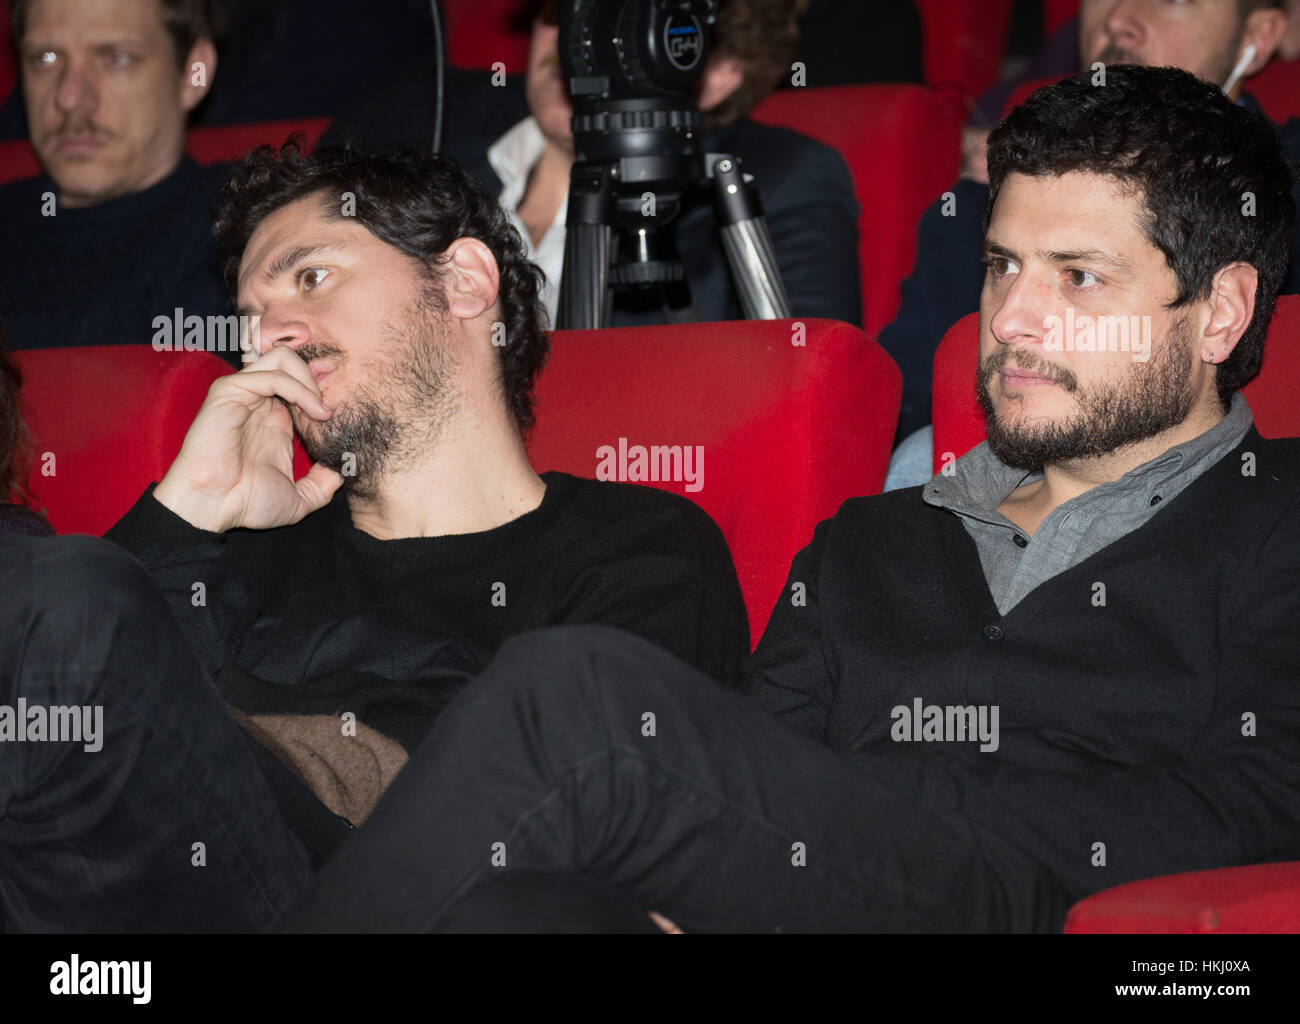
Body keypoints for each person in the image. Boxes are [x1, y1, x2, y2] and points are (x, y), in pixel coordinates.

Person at [278, 66, 1300, 934]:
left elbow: (1261, 807)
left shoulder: (1278, 515)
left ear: (1219, 314)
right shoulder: (875, 537)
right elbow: (753, 772)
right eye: (1001, 267)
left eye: (1077, 277)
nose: (1013, 319)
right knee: (511, 910)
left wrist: (855, 792)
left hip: (1063, 912)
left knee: (576, 697)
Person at [881, 0, 1297, 454]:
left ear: (1257, 36)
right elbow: (905, 404)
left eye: (1170, 1)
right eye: (1001, 266)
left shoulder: (1281, 199)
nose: (1118, 20)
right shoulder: (977, 201)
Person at [326, 0, 862, 329]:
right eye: (570, 12)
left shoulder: (781, 180)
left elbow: (821, 392)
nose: (578, 47)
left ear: (711, 69)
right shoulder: (422, 118)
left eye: (619, 22)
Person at [0, 0, 236, 363]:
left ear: (193, 72)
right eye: (45, 58)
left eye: (116, 58)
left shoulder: (240, 231)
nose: (68, 97)